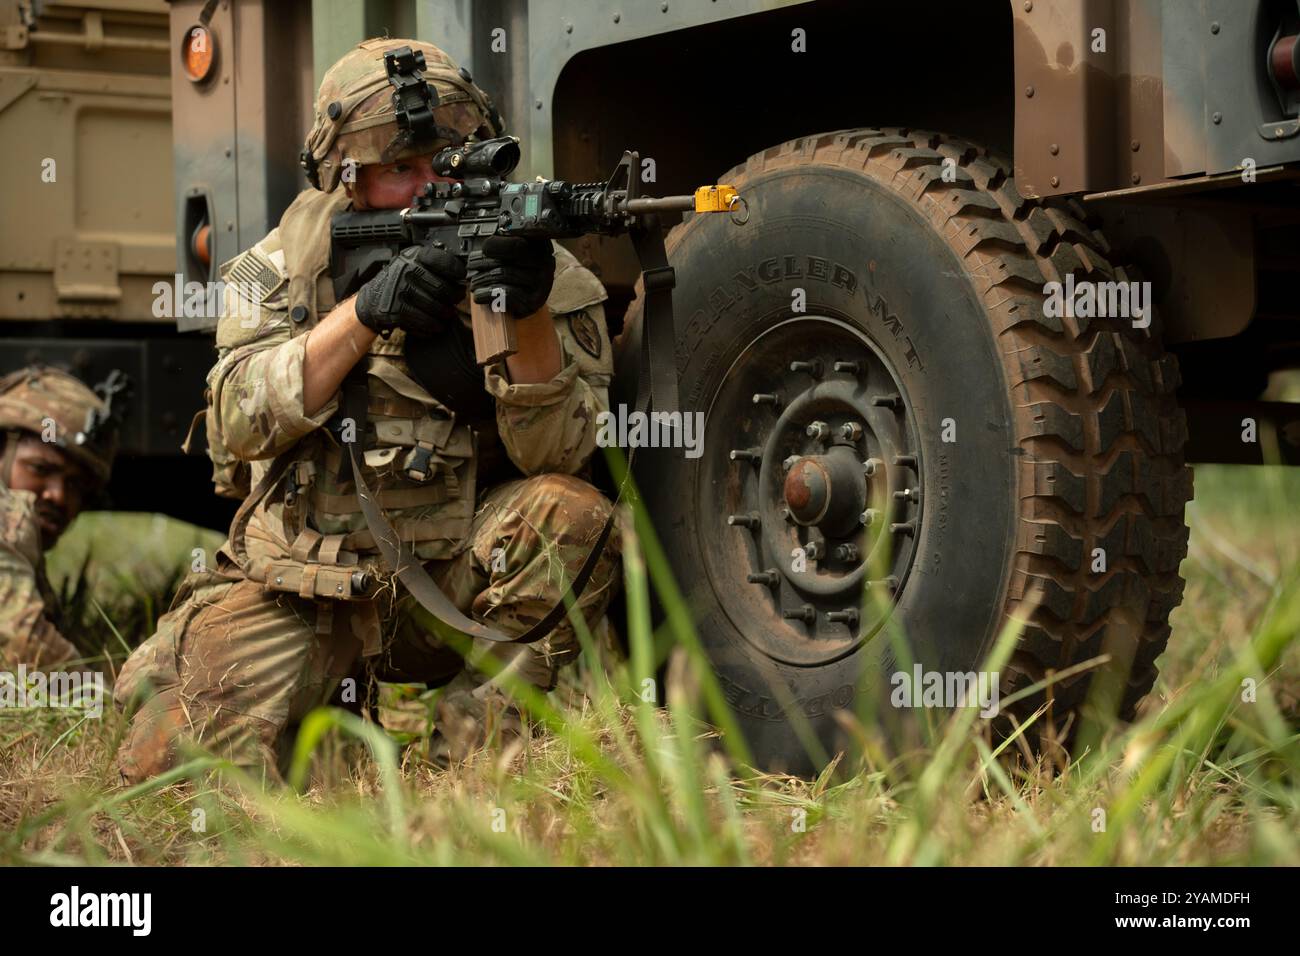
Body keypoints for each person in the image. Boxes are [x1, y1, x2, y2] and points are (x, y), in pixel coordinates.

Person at [114, 37, 621, 783]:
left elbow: (563, 458)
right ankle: (326, 723)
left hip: (453, 581)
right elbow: (236, 423)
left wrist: (528, 311)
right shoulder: (286, 266)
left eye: (447, 163)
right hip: (302, 586)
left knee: (576, 518)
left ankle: (466, 757)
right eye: (400, 171)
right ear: (346, 178)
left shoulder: (541, 272)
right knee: (169, 760)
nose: (430, 188)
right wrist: (362, 314)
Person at [0, 366, 122, 668]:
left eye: (76, 485)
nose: (58, 495)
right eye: (40, 469)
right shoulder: (9, 516)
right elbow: (23, 642)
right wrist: (104, 695)